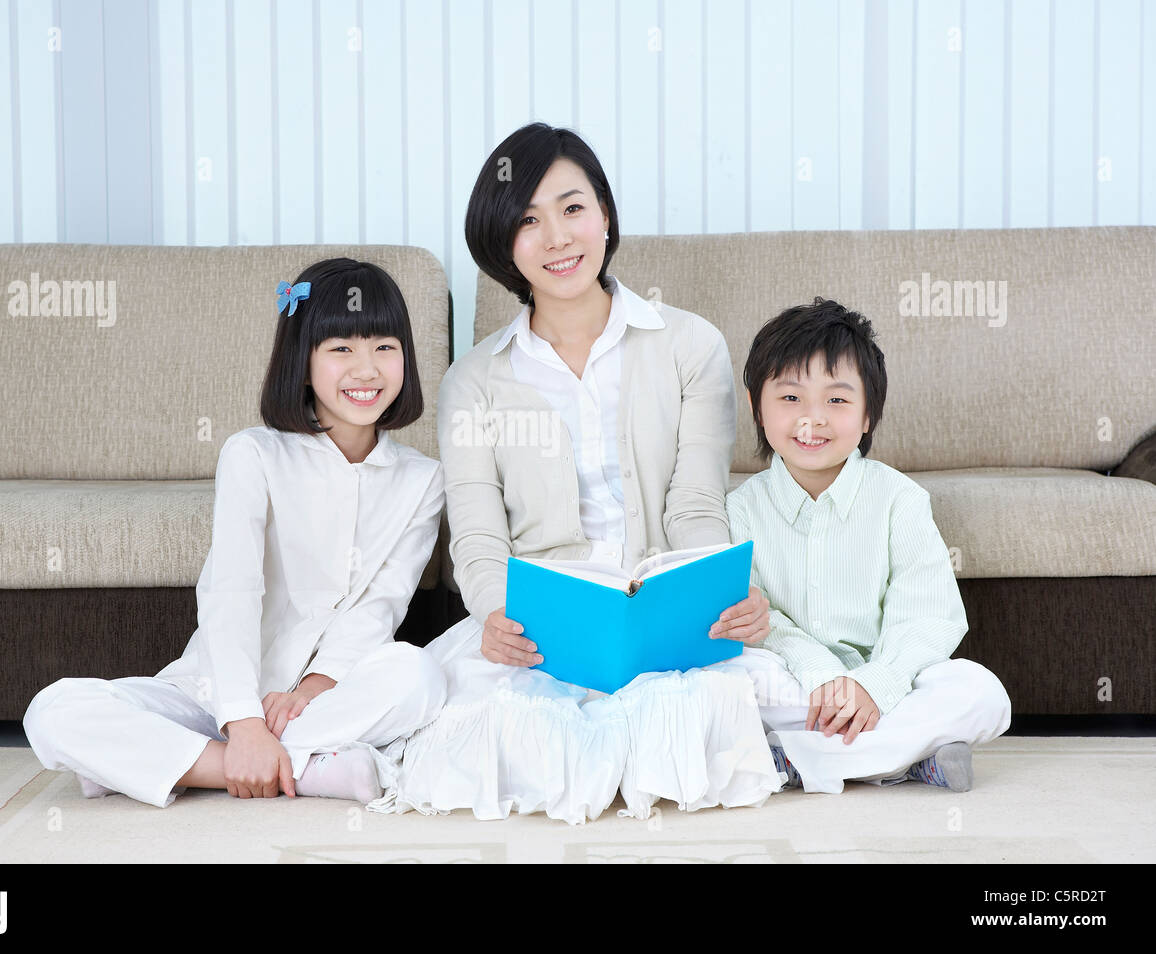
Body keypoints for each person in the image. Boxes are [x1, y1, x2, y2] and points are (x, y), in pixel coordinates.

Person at [371, 123, 782, 825]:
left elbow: (696, 504)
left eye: (571, 208)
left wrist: (723, 588)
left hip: (656, 599)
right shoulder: (474, 381)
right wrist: (495, 612)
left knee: (767, 697)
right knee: (472, 730)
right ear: (503, 243)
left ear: (605, 214)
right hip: (543, 616)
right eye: (528, 221)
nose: (558, 237)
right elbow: (476, 533)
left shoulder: (690, 344)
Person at [24, 258, 447, 808]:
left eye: (384, 347)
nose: (365, 369)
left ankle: (182, 763)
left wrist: (318, 685)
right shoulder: (254, 453)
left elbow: (382, 606)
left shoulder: (422, 479)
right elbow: (232, 590)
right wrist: (243, 721)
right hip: (212, 694)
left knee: (420, 676)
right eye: (341, 348)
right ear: (302, 362)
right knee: (55, 711)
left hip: (320, 702)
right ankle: (303, 769)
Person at [722, 297, 1012, 794]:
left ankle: (796, 761)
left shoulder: (900, 499)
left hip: (889, 684)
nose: (811, 420)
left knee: (980, 691)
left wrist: (873, 684)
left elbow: (928, 614)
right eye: (790, 398)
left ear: (867, 416)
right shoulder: (738, 509)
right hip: (796, 683)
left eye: (836, 401)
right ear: (756, 408)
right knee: (736, 676)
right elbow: (756, 620)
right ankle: (906, 760)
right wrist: (819, 674)